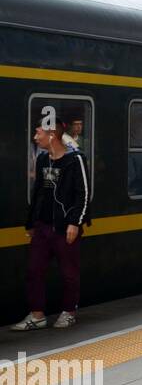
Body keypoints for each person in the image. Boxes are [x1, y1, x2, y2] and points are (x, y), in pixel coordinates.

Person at [13, 120, 89, 332]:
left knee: (69, 272)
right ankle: (37, 315)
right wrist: (31, 222)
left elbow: (83, 194)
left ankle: (69, 311)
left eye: (38, 134)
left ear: (52, 135)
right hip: (43, 227)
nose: (35, 138)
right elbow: (38, 192)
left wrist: (75, 222)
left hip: (66, 227)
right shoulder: (42, 159)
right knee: (34, 270)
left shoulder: (76, 160)